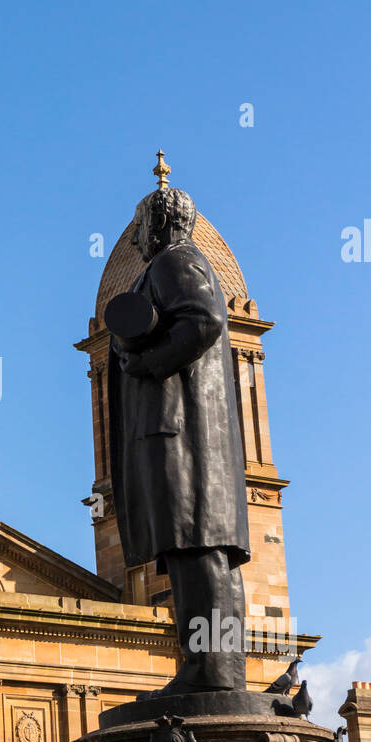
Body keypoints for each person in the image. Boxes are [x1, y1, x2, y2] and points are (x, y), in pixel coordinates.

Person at [107, 165, 250, 696]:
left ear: (154, 225)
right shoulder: (178, 262)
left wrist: (146, 362)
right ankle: (214, 667)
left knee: (196, 548)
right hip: (190, 436)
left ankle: (209, 669)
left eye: (137, 225)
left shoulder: (175, 261)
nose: (135, 235)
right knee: (201, 552)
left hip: (179, 435)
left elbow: (204, 319)